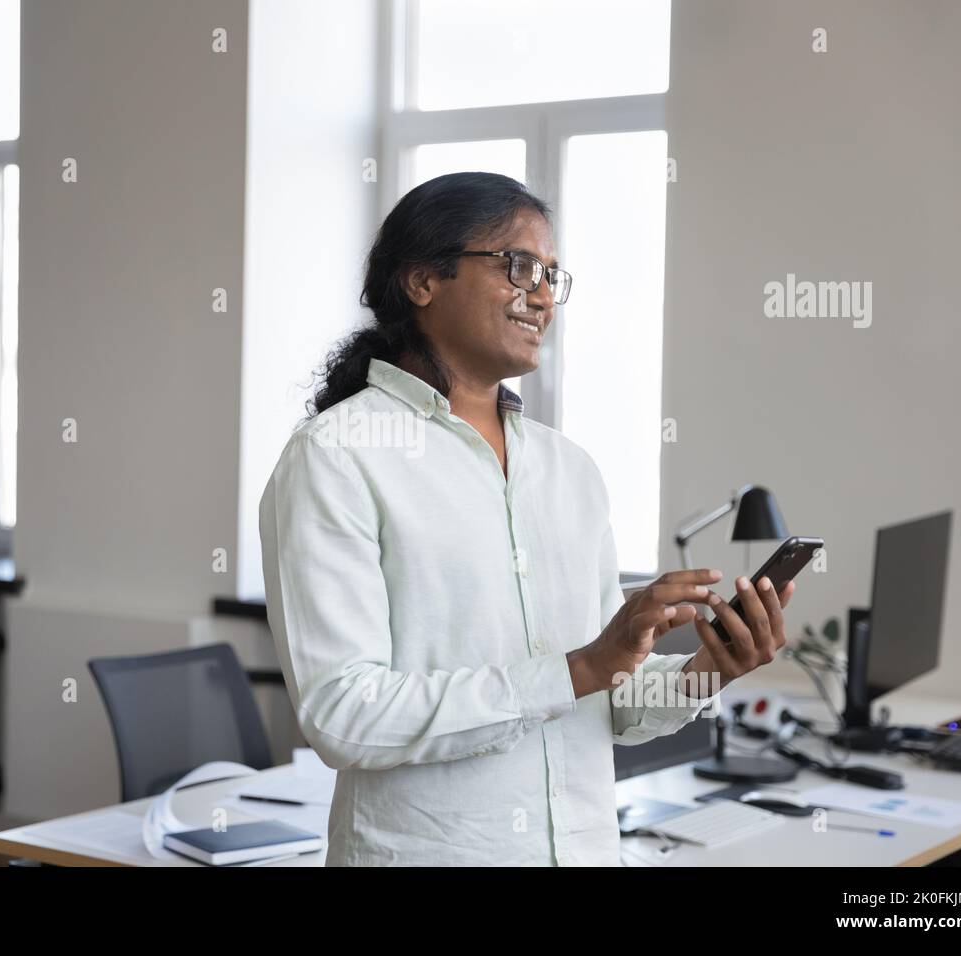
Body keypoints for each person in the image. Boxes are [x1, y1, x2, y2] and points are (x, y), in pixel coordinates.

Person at [259, 172, 795, 866]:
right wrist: (577, 667)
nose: (541, 295)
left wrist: (709, 671)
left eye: (550, 274)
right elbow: (346, 716)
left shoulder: (569, 471)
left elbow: (611, 704)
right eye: (517, 266)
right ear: (422, 281)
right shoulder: (337, 457)